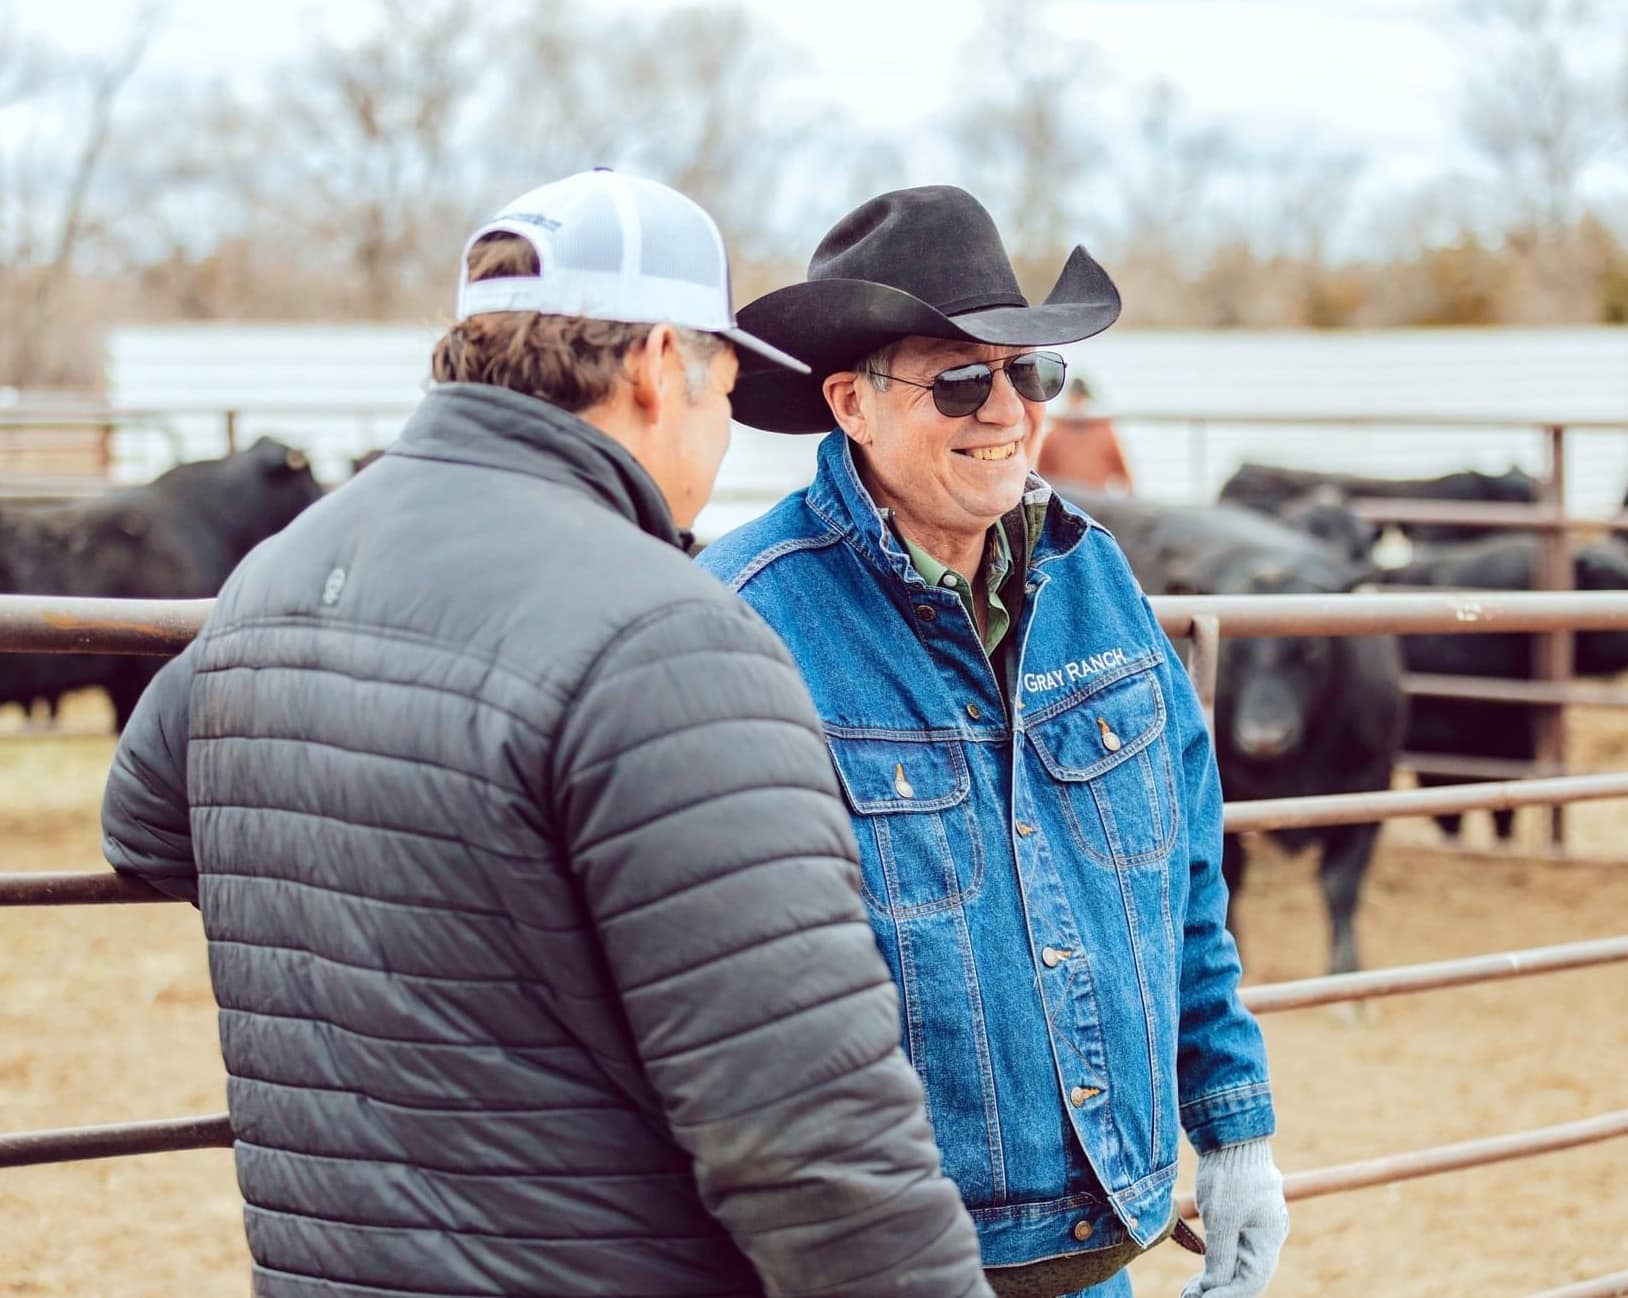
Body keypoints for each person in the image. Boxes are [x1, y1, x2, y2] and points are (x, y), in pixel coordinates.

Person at [100, 170, 993, 1298]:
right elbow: (812, 1135)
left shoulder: (276, 575)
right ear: (657, 365)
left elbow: (143, 826)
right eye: (723, 390)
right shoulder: (667, 637)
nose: (720, 431)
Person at [698, 186, 1289, 1298]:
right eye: (960, 380)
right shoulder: (740, 618)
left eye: (1030, 371)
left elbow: (1182, 877)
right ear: (851, 404)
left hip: (1096, 1244)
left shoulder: (1092, 577)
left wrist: (1235, 1133)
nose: (1007, 410)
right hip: (890, 1258)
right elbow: (719, 990)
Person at [1037, 377, 1135, 494]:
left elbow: (1124, 475)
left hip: (1096, 498)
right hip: (1065, 499)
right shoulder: (1054, 436)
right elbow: (1042, 476)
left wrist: (1131, 496)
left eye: (1081, 398)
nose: (1078, 404)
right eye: (1074, 398)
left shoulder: (1105, 434)